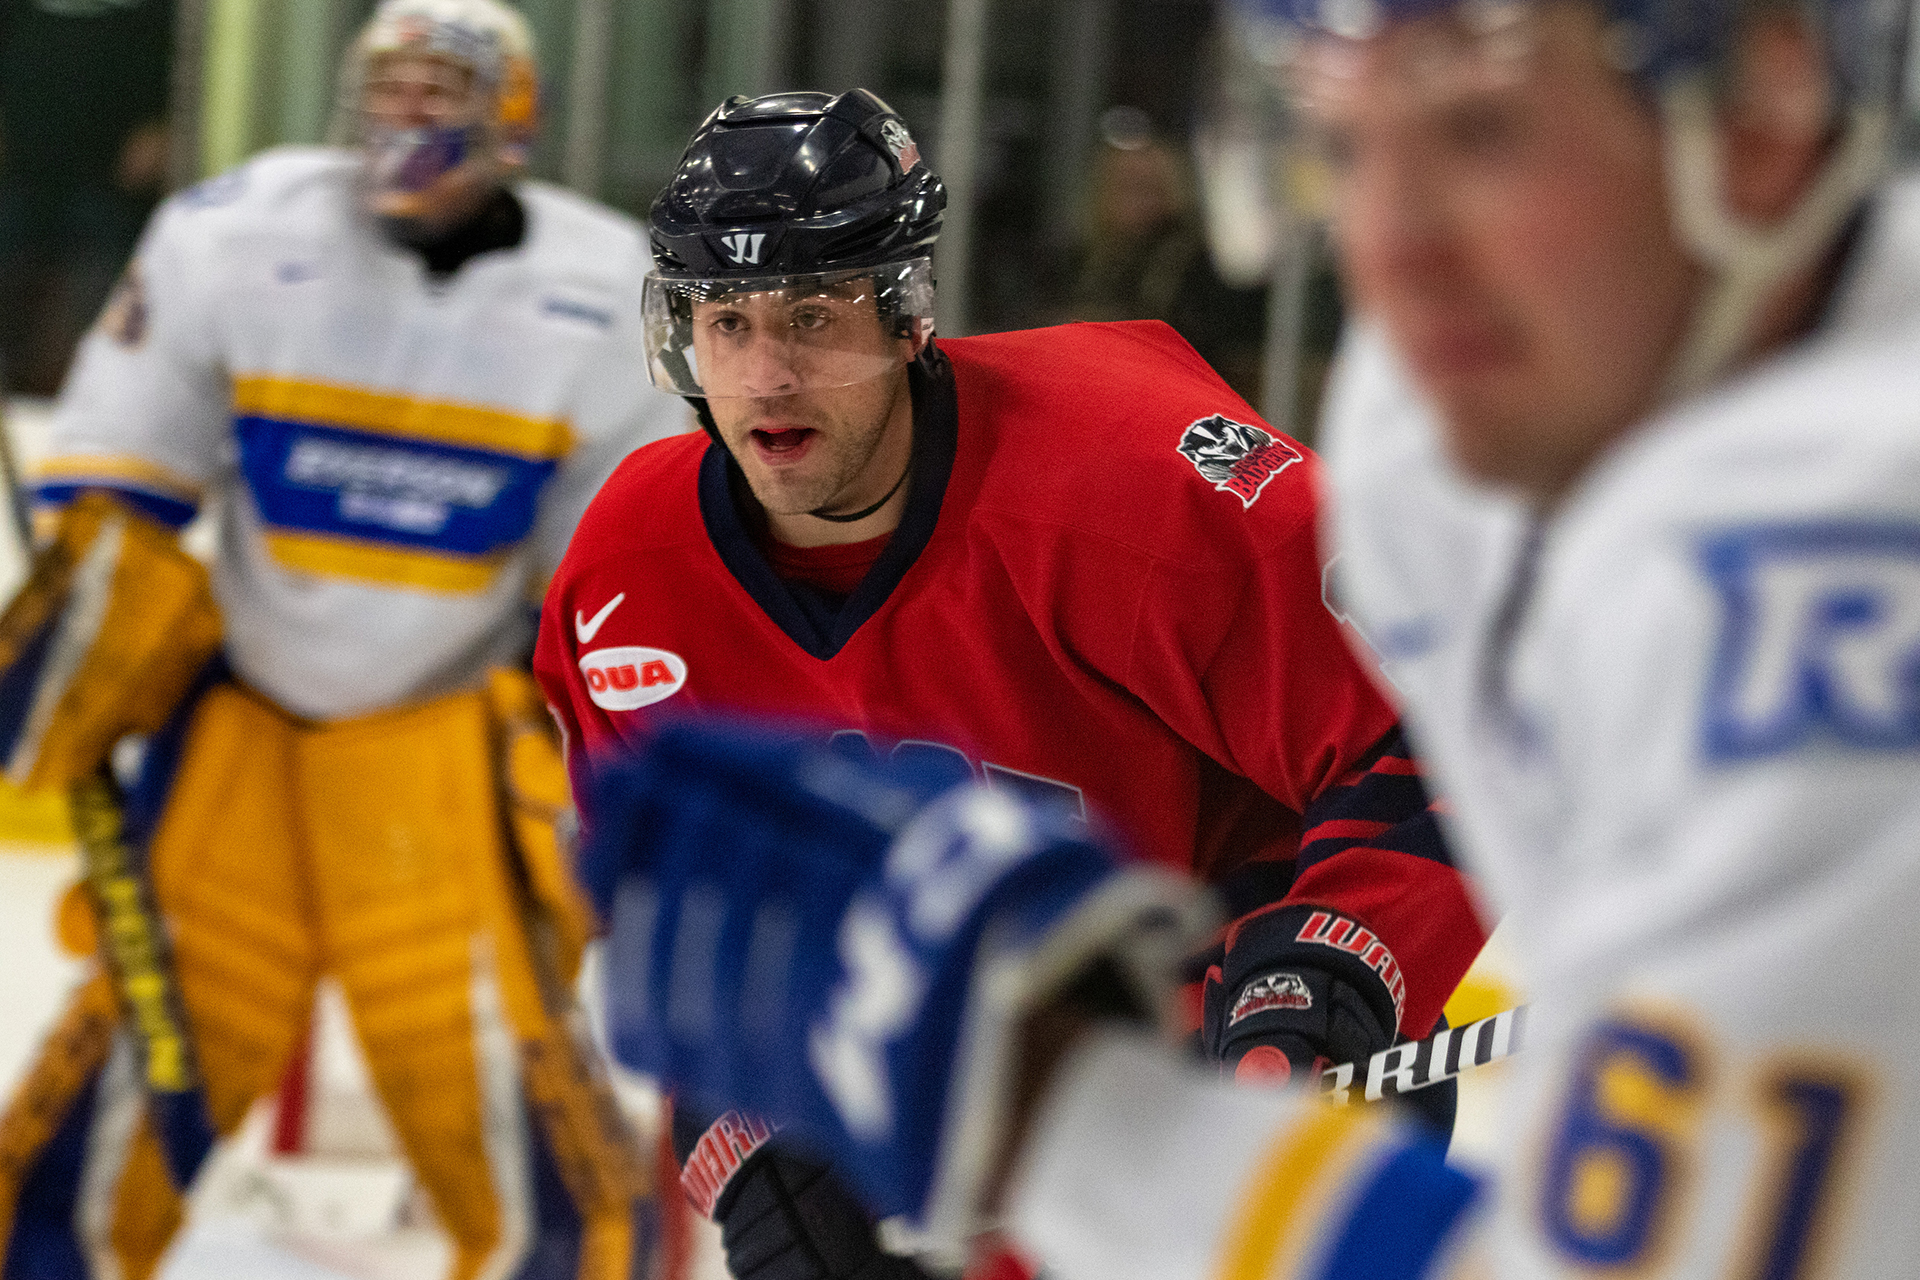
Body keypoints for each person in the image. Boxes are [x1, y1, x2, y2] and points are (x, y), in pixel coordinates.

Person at [565, 0, 1920, 1272]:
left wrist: (1319, 971)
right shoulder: (1433, 430)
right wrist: (794, 1130)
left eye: (1485, 134)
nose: (1390, 245)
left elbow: (1670, 1233)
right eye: (1340, 146)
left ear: (1765, 103)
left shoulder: (1847, 550)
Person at [535, 87, 1489, 1280]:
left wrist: (1334, 962)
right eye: (726, 322)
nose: (767, 375)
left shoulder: (1136, 482)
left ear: (906, 318)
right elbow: (693, 911)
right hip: (941, 1097)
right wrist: (748, 1136)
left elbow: (1434, 733)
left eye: (815, 315)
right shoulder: (630, 575)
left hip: (1239, 1048)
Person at [0, 2, 688, 1277]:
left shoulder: (607, 295)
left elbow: (611, 584)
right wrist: (86, 615)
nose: (407, 118)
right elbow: (122, 482)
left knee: (538, 1169)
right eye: (391, 85)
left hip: (439, 758)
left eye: (442, 91)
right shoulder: (238, 231)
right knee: (94, 1134)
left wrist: (582, 753)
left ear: (514, 115)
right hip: (242, 739)